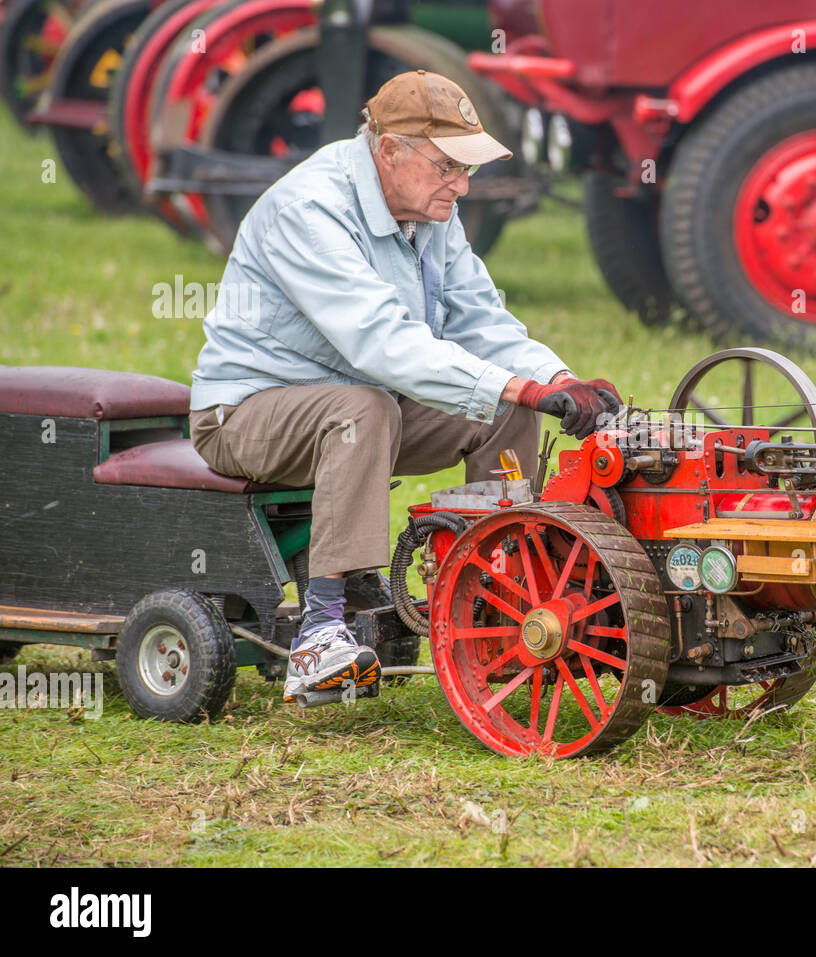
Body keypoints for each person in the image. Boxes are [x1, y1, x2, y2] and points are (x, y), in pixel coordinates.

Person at [187, 70, 621, 703]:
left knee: (498, 412)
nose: (463, 184)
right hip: (244, 413)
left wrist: (555, 379)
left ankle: (497, 596)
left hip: (367, 401)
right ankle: (320, 631)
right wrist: (518, 387)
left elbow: (480, 319)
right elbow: (381, 343)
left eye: (466, 168)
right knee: (362, 409)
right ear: (390, 150)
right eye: (448, 166)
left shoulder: (431, 210)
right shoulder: (310, 209)